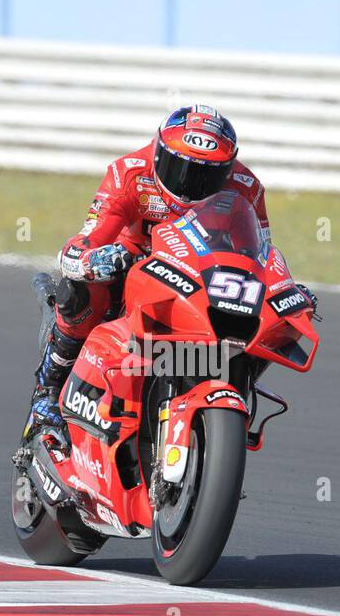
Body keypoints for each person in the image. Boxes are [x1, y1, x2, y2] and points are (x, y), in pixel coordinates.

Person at [27, 104, 314, 431]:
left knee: (257, 320)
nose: (192, 185)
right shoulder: (130, 173)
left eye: (208, 176)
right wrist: (95, 260)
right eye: (182, 170)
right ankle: (47, 389)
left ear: (228, 170)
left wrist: (285, 290)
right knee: (82, 291)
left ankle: (229, 388)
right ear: (159, 156)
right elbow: (82, 243)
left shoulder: (246, 187)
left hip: (200, 276)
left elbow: (259, 254)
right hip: (133, 264)